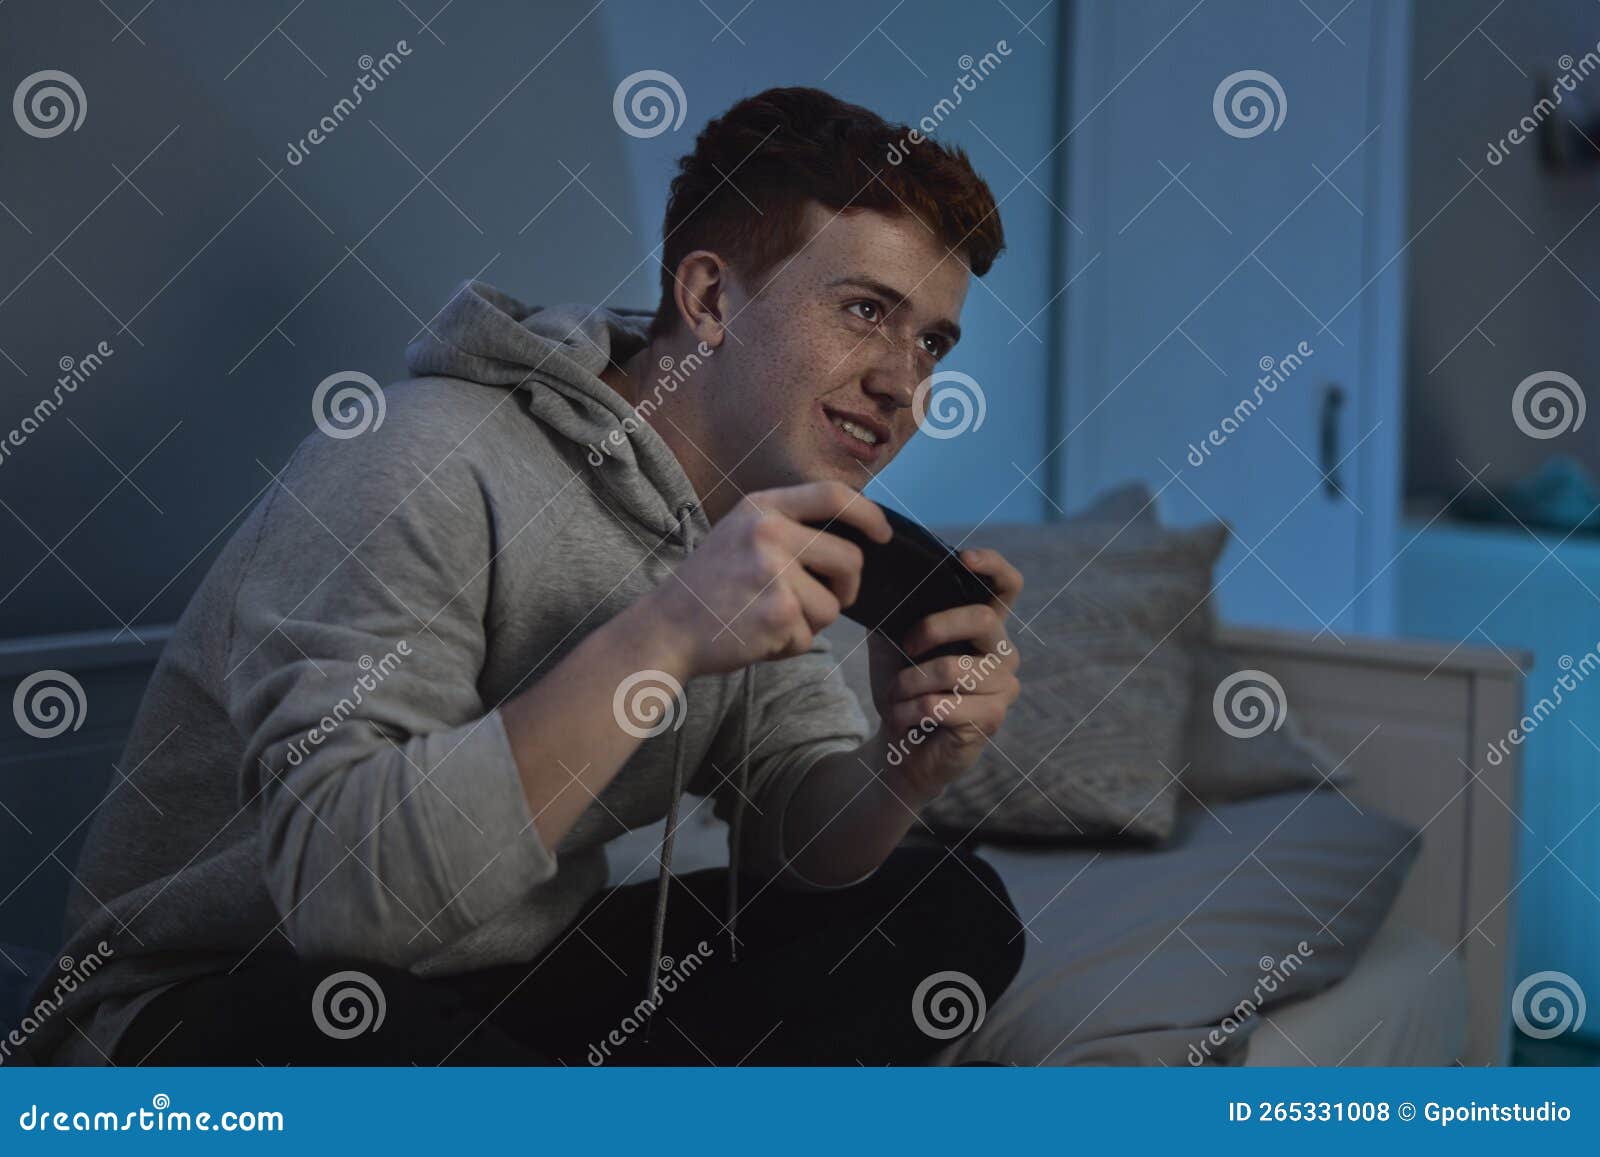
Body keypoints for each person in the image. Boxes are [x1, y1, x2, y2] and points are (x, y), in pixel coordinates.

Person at [24, 86, 1025, 1067]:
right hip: (227, 1000)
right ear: (713, 297)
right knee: (349, 1020)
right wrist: (666, 630)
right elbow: (345, 906)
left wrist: (905, 760)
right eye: (863, 311)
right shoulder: (416, 458)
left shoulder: (762, 515)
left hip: (503, 978)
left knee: (942, 905)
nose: (904, 381)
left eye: (930, 340)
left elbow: (792, 837)